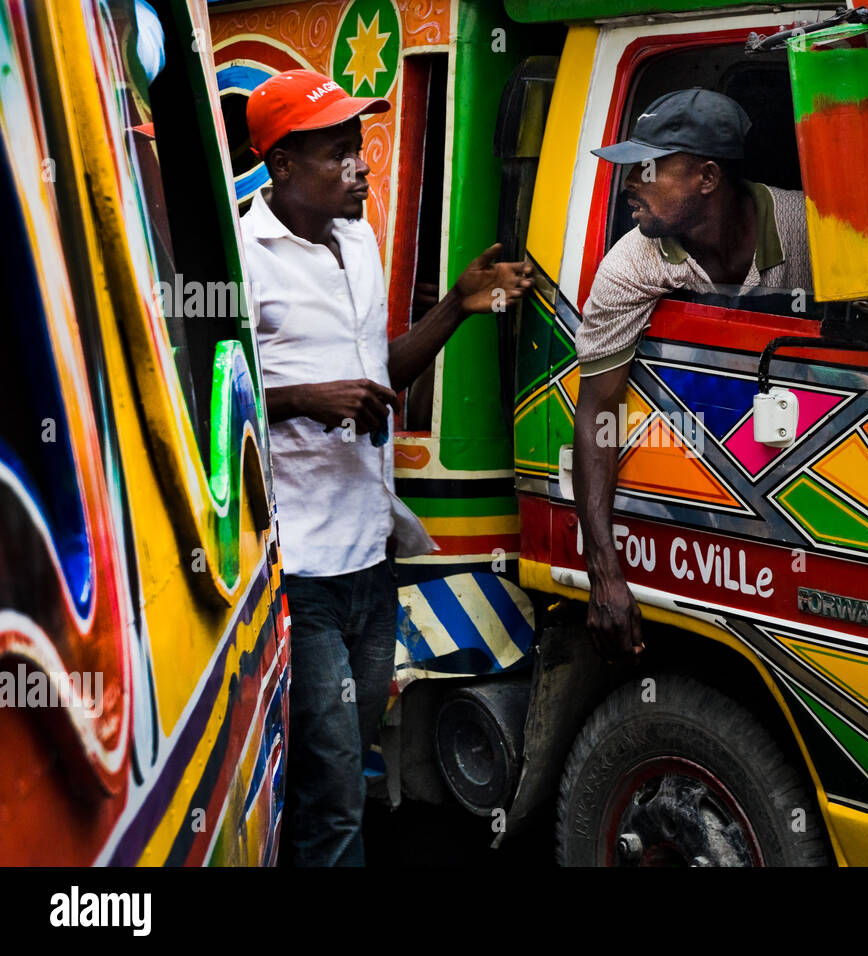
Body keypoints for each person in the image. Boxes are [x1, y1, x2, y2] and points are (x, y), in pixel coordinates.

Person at [241, 69, 531, 866]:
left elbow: (381, 375)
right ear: (282, 169)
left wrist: (455, 307)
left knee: (343, 775)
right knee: (335, 788)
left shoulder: (358, 240)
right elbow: (205, 402)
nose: (362, 166)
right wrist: (303, 398)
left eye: (361, 148)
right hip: (299, 573)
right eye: (339, 154)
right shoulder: (242, 260)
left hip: (373, 559)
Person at [573, 88, 812, 662]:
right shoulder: (633, 262)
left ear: (708, 178)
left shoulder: (808, 224)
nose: (629, 183)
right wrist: (604, 571)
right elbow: (597, 410)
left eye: (648, 168)